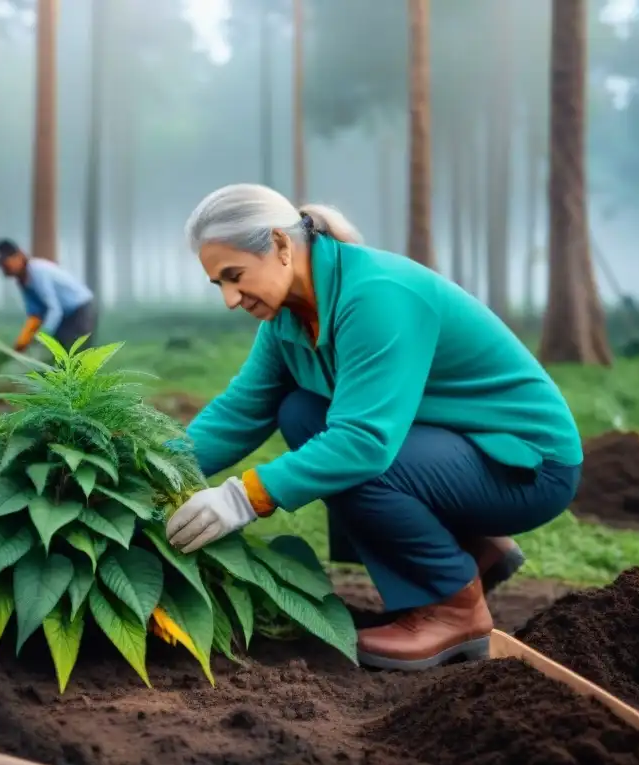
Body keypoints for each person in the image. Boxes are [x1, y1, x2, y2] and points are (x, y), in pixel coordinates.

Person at [165, 184, 582, 671]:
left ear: (280, 245)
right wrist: (154, 469)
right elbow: (240, 410)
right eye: (219, 284)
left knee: (349, 457)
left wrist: (246, 497)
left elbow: (363, 442)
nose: (230, 299)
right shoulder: (288, 317)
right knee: (301, 413)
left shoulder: (377, 295)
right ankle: (473, 549)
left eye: (235, 276)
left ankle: (454, 606)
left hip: (526, 465)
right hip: (461, 448)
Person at [0, 239, 98, 352]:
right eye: (1, 265)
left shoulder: (37, 272)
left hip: (79, 311)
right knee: (58, 353)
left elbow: (54, 310)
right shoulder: (23, 280)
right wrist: (23, 342)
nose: (3, 268)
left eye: (5, 263)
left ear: (19, 256)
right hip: (65, 316)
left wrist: (43, 335)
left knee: (73, 353)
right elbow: (35, 314)